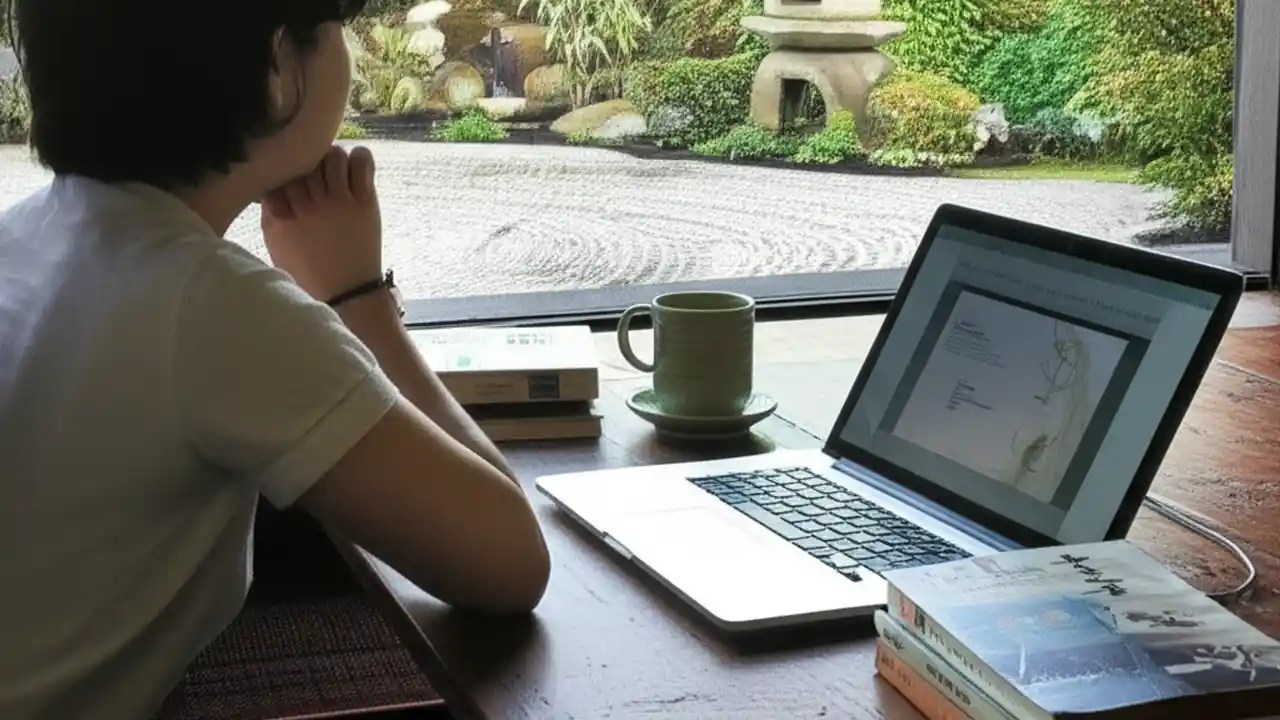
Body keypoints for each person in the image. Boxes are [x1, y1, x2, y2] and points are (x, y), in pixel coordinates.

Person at [0, 1, 551, 718]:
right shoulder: (211, 304)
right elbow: (509, 562)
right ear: (277, 68)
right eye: (334, 29)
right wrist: (358, 298)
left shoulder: (27, 239)